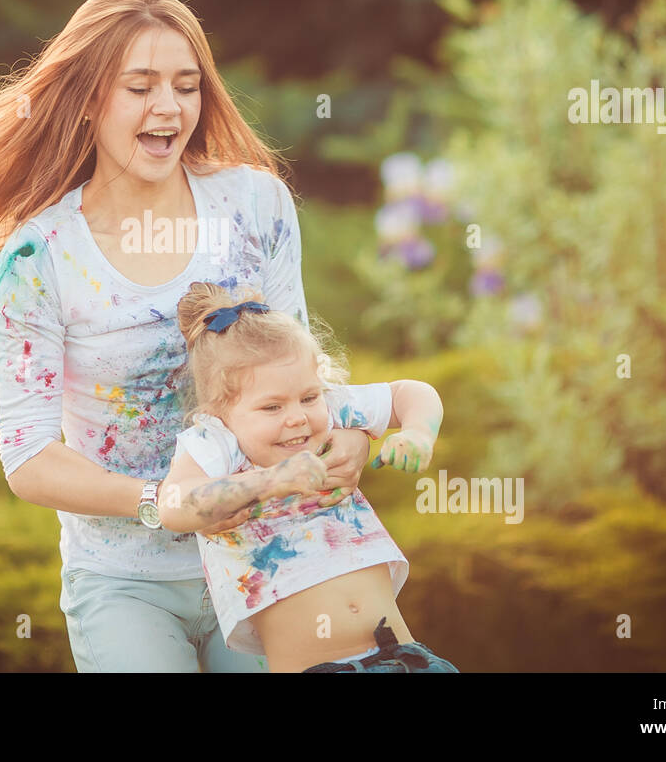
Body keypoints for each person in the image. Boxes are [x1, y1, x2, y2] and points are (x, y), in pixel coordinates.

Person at [0, 0, 376, 671]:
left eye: (187, 86)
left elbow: (303, 377)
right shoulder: (39, 257)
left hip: (265, 562)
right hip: (124, 584)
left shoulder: (255, 205)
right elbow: (29, 457)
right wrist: (167, 503)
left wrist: (352, 435)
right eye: (141, 86)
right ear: (91, 98)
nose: (168, 107)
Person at [160, 281, 460, 673]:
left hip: (407, 658)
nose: (297, 416)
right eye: (271, 407)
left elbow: (412, 392)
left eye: (308, 397)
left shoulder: (331, 410)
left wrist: (418, 432)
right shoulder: (218, 442)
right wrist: (268, 481)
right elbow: (173, 506)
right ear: (220, 411)